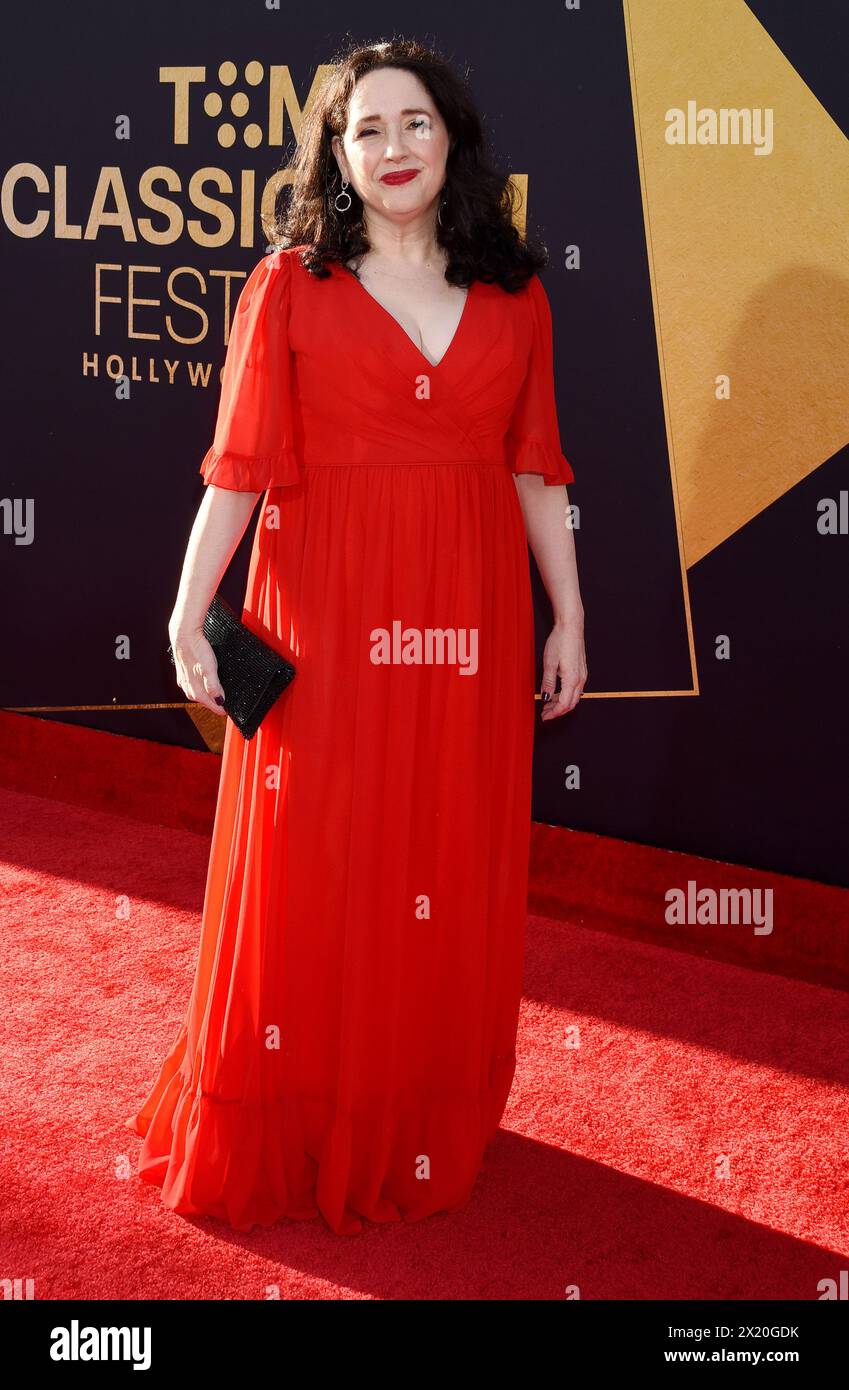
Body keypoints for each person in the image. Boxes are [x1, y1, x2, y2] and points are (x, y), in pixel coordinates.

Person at [125, 38, 587, 1236]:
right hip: (323, 612)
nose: (392, 148)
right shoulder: (290, 284)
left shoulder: (517, 295)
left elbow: (536, 469)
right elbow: (237, 472)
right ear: (334, 153)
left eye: (414, 123)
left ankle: (415, 1101)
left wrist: (570, 612)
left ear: (455, 141)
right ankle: (295, 1102)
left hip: (469, 621)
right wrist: (186, 608)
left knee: (441, 846)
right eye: (365, 128)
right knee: (316, 851)